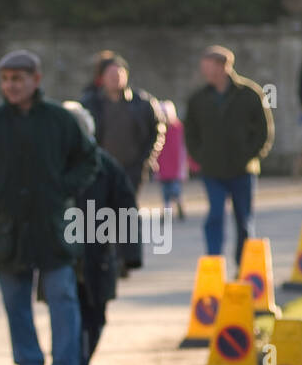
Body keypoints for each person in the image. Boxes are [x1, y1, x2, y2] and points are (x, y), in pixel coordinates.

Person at [0, 49, 99, 365]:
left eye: (17, 79)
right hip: (9, 229)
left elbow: (88, 159)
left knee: (63, 298)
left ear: (36, 79)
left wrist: (63, 188)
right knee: (16, 304)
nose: (11, 86)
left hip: (53, 228)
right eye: (5, 79)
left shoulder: (60, 120)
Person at [60, 101, 135, 365]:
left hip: (98, 254)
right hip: (63, 255)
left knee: (96, 316)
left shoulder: (107, 167)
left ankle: (81, 364)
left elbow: (126, 207)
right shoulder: (54, 164)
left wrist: (130, 255)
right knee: (69, 313)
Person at [184, 45, 273, 270]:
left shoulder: (250, 93)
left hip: (243, 169)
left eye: (209, 67)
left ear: (223, 66)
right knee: (215, 215)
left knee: (244, 220)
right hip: (212, 169)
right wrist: (200, 156)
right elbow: (190, 132)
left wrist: (250, 155)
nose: (205, 72)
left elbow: (264, 131)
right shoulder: (198, 99)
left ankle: (244, 267)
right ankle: (214, 264)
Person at [79, 52, 162, 273]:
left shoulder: (143, 103)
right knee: (101, 213)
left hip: (132, 169)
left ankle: (126, 257)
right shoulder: (90, 103)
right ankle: (107, 256)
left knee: (125, 213)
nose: (116, 78)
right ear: (101, 78)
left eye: (120, 73)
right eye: (111, 74)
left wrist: (146, 160)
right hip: (100, 170)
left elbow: (157, 132)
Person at [155, 100, 187, 220]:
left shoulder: (178, 128)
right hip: (162, 166)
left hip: (175, 167)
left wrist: (185, 166)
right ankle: (167, 211)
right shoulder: (158, 129)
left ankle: (179, 203)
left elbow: (183, 149)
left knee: (175, 189)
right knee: (165, 192)